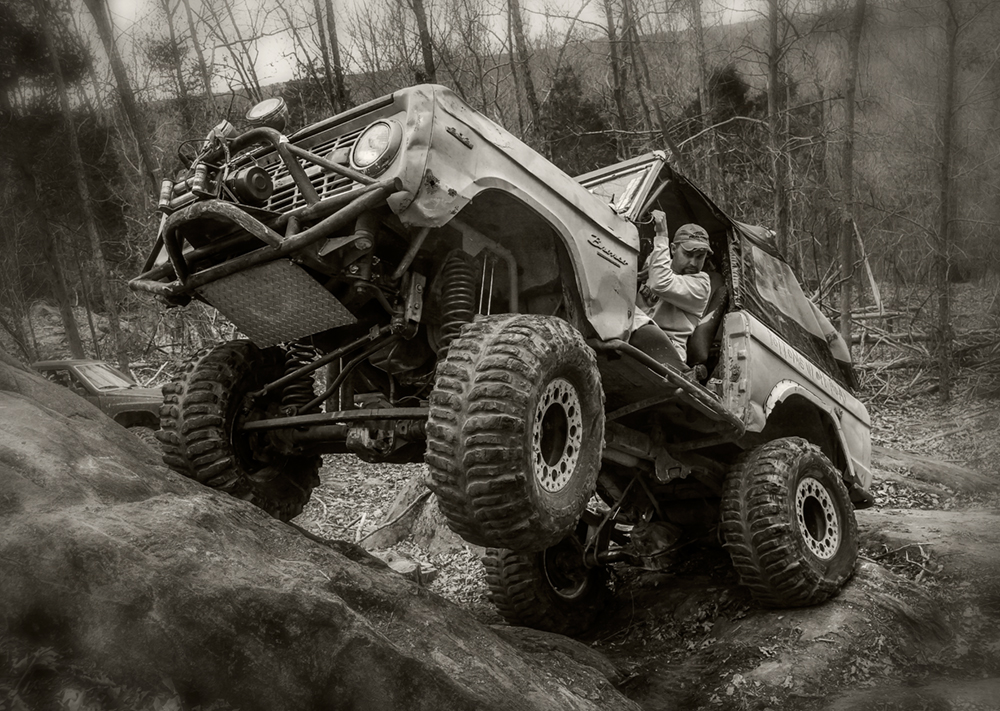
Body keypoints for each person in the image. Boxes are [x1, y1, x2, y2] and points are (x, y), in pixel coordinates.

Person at [630, 215, 712, 371]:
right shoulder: (657, 264)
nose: (693, 263)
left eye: (700, 257)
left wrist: (661, 236)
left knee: (628, 316)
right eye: (688, 255)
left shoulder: (702, 284)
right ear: (673, 249)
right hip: (636, 338)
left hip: (667, 353)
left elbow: (661, 283)